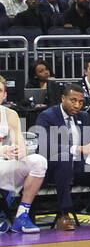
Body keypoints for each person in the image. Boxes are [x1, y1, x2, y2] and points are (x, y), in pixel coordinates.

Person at [34, 82, 90, 229]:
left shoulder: (84, 116)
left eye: (81, 102)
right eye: (73, 100)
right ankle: (64, 215)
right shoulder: (47, 116)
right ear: (63, 98)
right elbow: (46, 147)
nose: (77, 105)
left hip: (78, 167)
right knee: (64, 158)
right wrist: (79, 149)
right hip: (53, 169)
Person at [1, 78, 47, 233]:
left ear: (4, 95)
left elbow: (21, 145)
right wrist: (2, 150)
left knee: (38, 161)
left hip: (4, 165)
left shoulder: (10, 115)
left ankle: (22, 216)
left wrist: (20, 151)